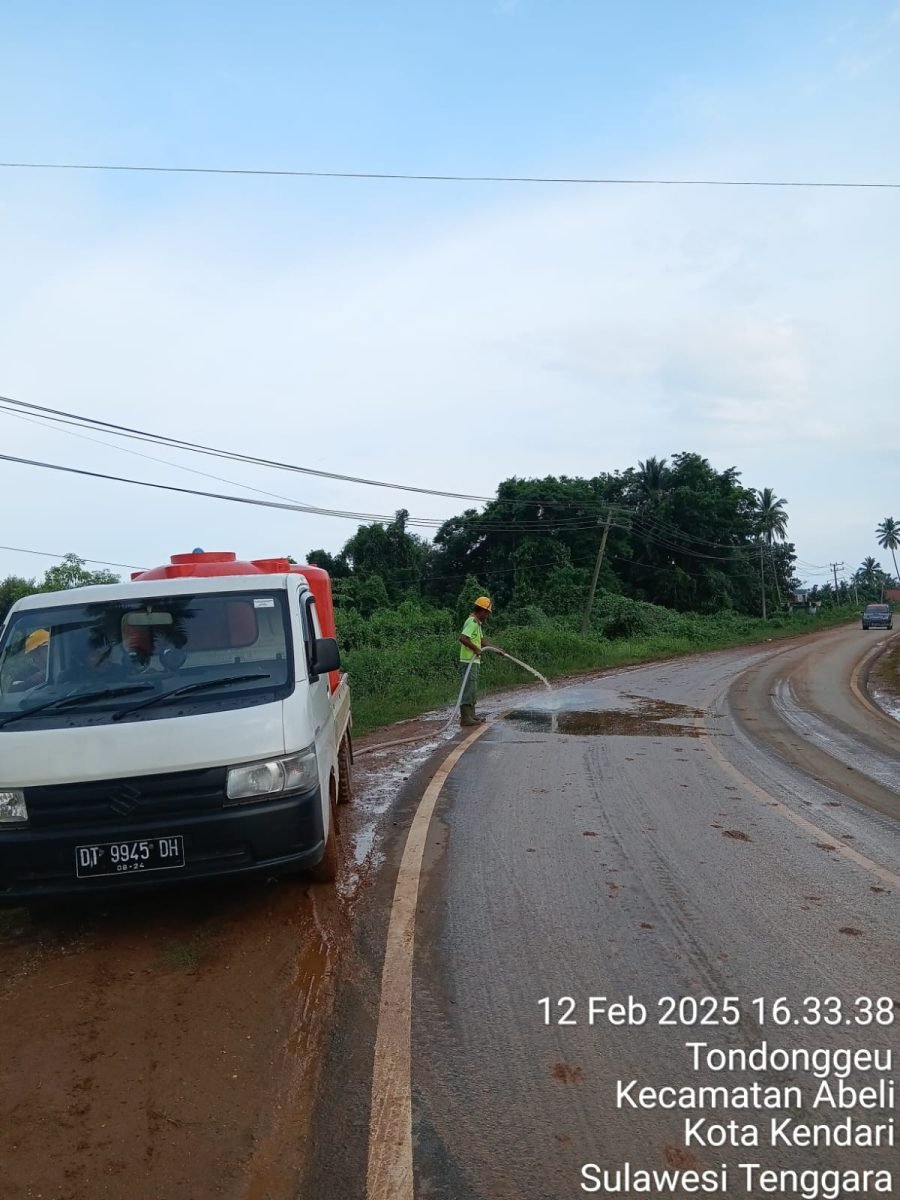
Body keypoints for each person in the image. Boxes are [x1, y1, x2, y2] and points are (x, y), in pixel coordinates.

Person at [457, 596, 501, 727]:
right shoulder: (472, 622)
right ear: (481, 610)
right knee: (468, 688)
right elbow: (463, 638)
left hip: (474, 662)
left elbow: (482, 641)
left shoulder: (478, 624)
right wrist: (475, 649)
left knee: (473, 689)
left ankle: (472, 715)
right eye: (487, 613)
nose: (487, 615)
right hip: (468, 661)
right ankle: (466, 718)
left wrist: (496, 649)